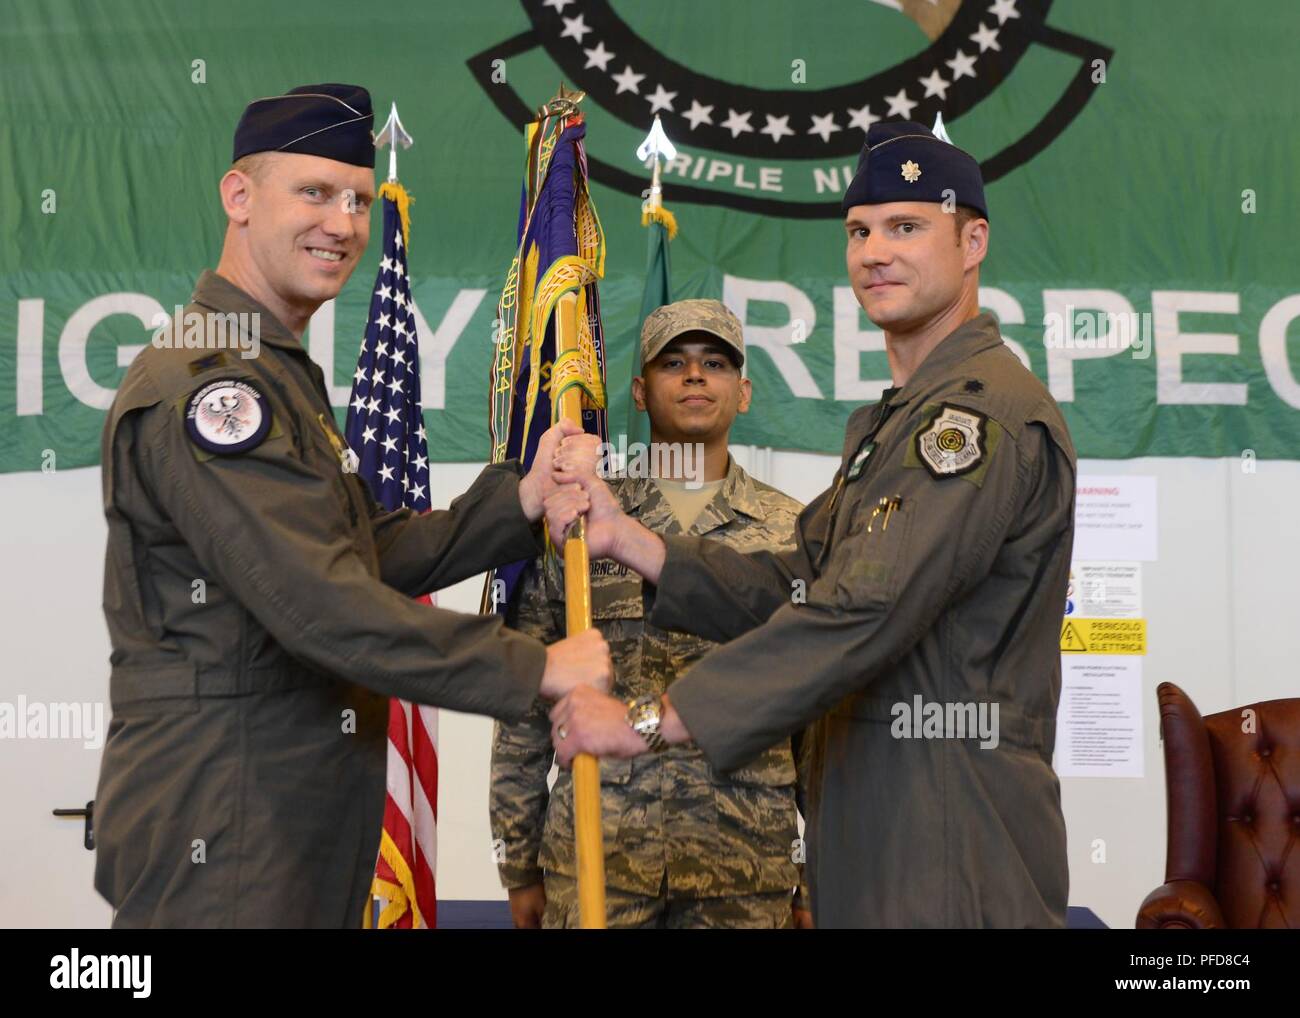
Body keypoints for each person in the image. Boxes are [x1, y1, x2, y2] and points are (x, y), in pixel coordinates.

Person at [94, 83, 610, 928]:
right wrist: (539, 669)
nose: (342, 223)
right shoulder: (212, 384)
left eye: (359, 201)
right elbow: (322, 602)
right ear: (238, 196)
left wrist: (520, 498)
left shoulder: (269, 366)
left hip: (280, 809)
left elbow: (362, 549)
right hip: (226, 818)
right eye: (314, 192)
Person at [544, 121, 1076, 928]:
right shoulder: (902, 421)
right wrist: (628, 539)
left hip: (950, 835)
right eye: (860, 231)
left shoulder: (977, 417)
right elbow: (797, 578)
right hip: (877, 822)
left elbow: (862, 609)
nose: (874, 252)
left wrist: (647, 721)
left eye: (906, 227)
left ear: (973, 241)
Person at [490, 300, 812, 929]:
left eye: (714, 363)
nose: (695, 377)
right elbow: (527, 697)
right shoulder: (579, 521)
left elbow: (817, 710)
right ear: (639, 391)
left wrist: (814, 873)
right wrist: (519, 861)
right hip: (600, 857)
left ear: (742, 392)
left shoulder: (792, 532)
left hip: (743, 863)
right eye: (674, 363)